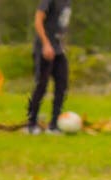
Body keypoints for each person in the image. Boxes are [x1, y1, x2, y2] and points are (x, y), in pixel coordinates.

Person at [26, 0, 72, 135]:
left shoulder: (68, 2)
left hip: (58, 49)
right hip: (44, 48)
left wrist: (62, 45)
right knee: (41, 86)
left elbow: (61, 26)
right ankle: (31, 124)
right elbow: (38, 21)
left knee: (62, 84)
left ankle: (54, 125)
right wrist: (46, 44)